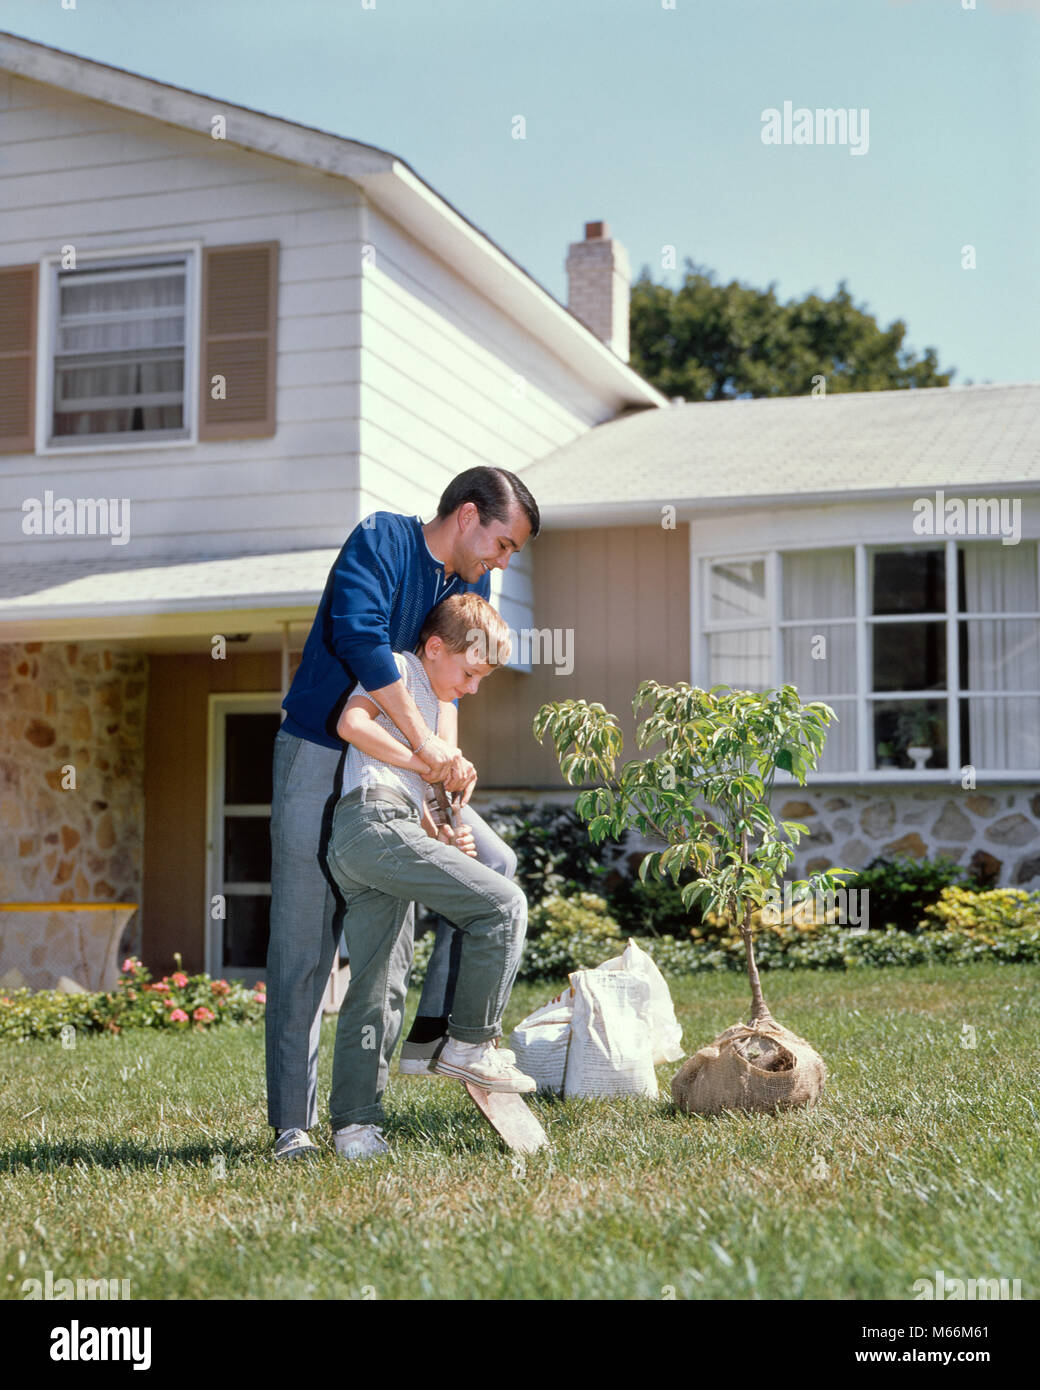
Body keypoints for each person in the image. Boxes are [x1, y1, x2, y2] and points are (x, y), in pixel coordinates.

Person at [266, 466, 540, 1159]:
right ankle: (293, 1127)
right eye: (505, 544)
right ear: (471, 515)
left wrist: (445, 781)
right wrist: (424, 748)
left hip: (403, 774)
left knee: (493, 865)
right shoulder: (383, 541)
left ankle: (433, 1036)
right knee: (305, 943)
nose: (505, 561)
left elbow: (448, 682)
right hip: (322, 748)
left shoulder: (469, 585)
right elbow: (359, 638)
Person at [325, 594, 534, 1160]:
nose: (471, 687)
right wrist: (424, 761)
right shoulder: (399, 667)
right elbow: (351, 723)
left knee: (377, 990)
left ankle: (355, 1128)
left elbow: (418, 796)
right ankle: (469, 1043)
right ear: (436, 648)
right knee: (502, 907)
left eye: (481, 679)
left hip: (375, 836)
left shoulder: (440, 705)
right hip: (371, 821)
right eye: (469, 673)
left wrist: (444, 834)